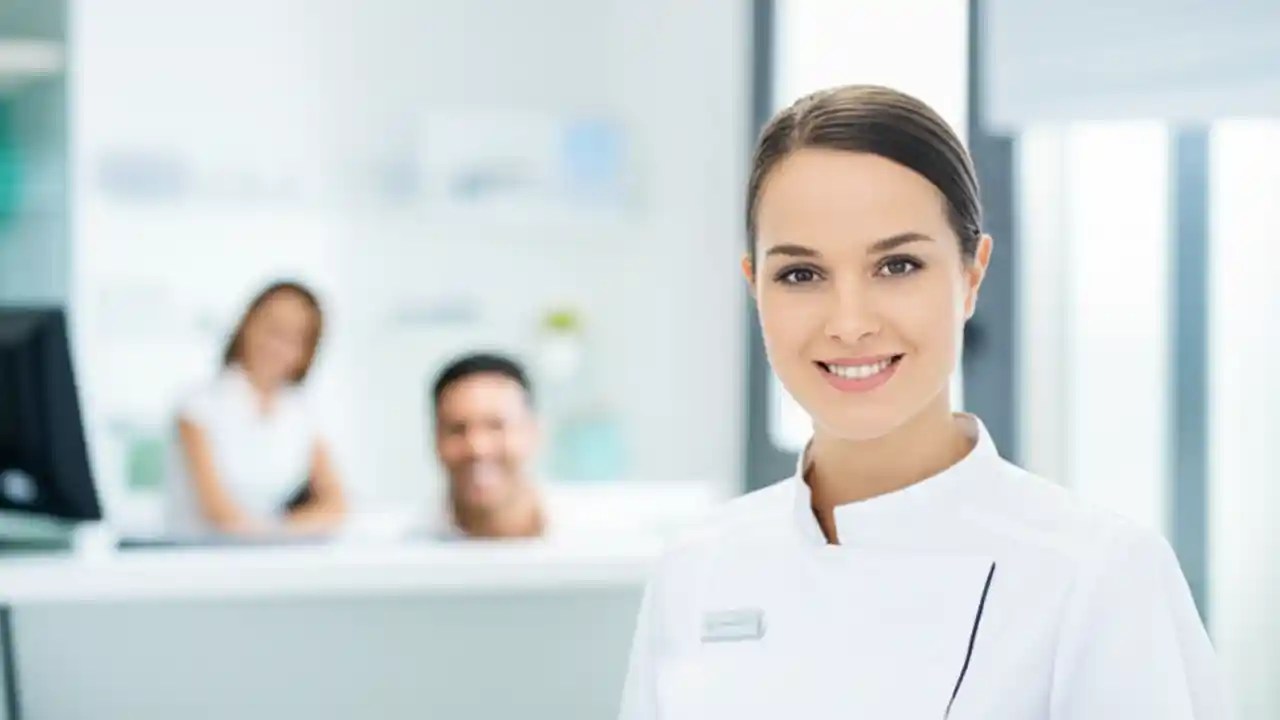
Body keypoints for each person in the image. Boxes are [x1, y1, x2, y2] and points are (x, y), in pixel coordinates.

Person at [618, 86, 1230, 719]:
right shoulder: (696, 568)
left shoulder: (1098, 573)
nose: (849, 323)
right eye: (801, 274)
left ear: (971, 274)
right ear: (756, 288)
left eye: (898, 266)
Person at [164, 281, 347, 536]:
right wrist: (292, 528)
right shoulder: (198, 407)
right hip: (197, 559)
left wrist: (276, 532)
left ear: (308, 351)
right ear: (247, 325)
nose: (279, 345)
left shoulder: (300, 414)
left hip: (265, 557)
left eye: (296, 337)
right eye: (273, 329)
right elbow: (220, 514)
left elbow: (337, 504)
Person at [428, 353, 547, 539]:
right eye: (457, 430)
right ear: (436, 439)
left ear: (532, 432)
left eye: (496, 426)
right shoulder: (399, 552)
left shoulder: (590, 538)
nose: (477, 448)